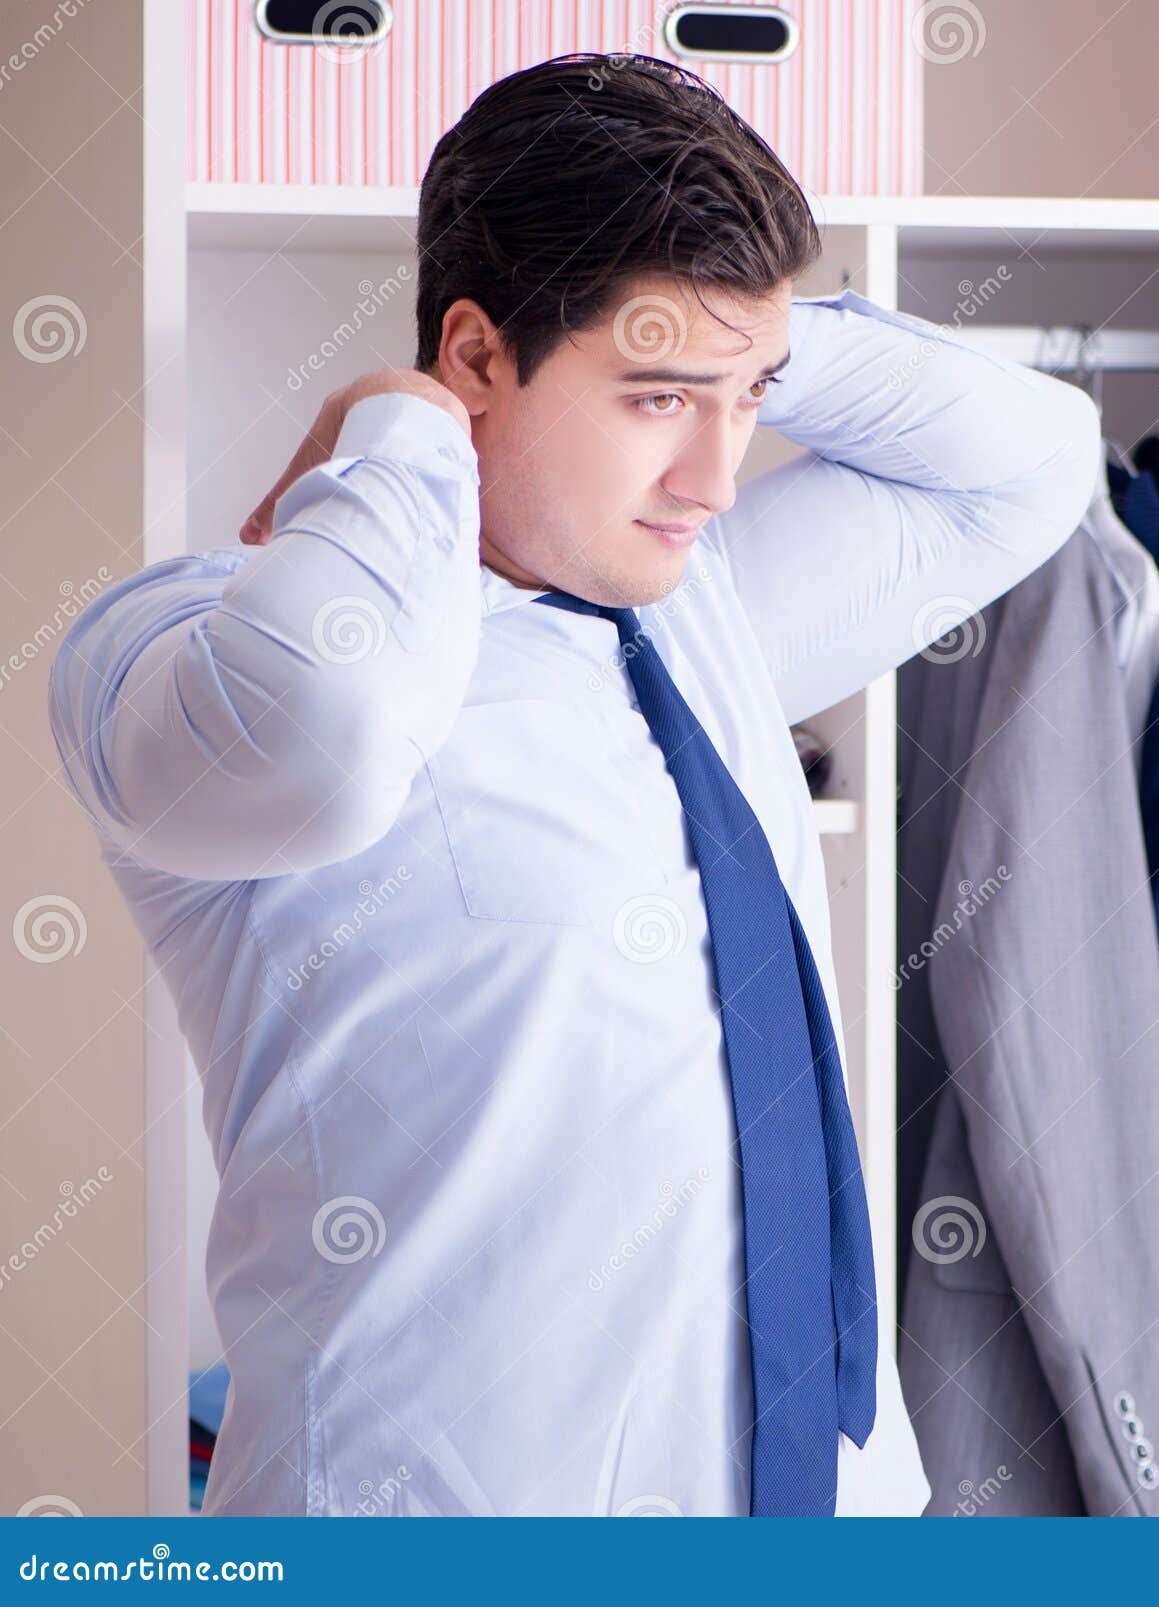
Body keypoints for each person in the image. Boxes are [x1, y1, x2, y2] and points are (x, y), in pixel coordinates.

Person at [47, 53, 1101, 1516]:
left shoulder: (704, 613)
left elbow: (1037, 464)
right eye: (659, 396)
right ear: (478, 356)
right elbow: (332, 742)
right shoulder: (176, 654)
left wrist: (752, 334)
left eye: (752, 400)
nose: (717, 476)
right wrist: (398, 428)